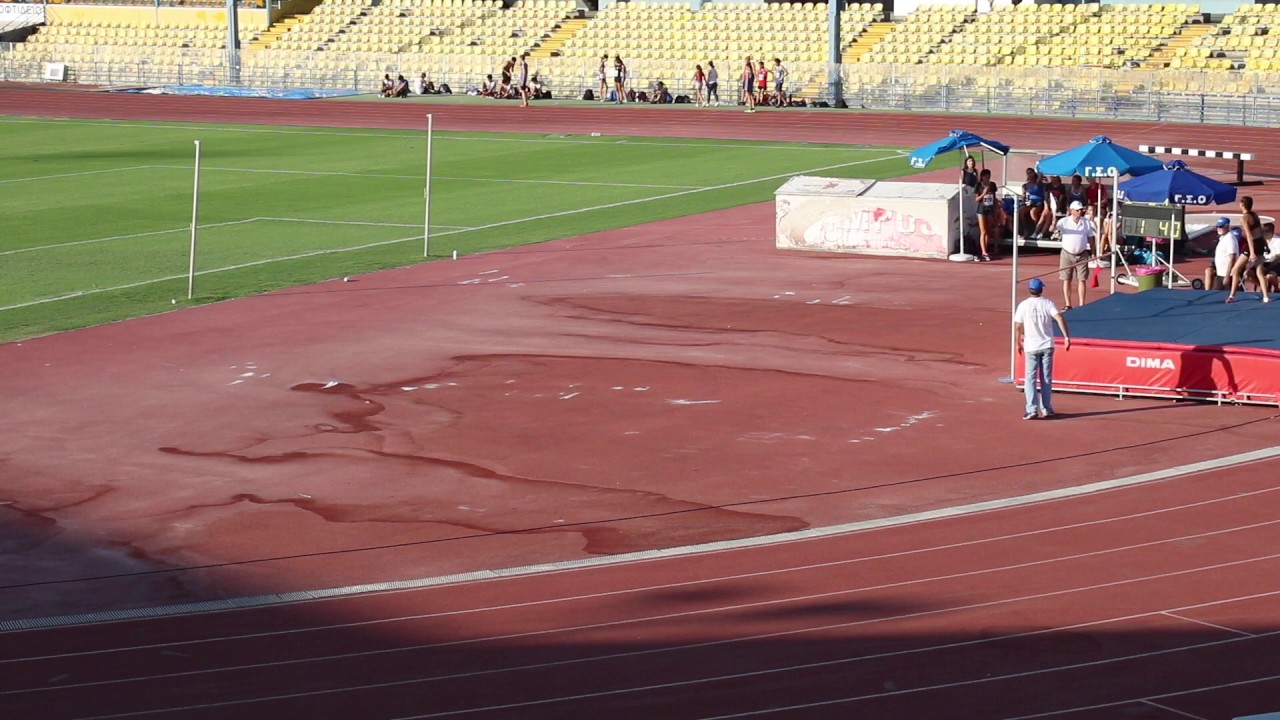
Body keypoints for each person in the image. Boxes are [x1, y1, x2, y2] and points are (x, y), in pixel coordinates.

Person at [1014, 277, 1071, 420]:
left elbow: (1018, 326)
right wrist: (1066, 337)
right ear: (1041, 290)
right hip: (1046, 345)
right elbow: (1059, 318)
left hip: (1031, 347)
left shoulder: (1023, 305)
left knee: (1030, 378)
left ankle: (1032, 409)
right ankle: (1046, 408)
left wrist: (1018, 343)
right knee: (1046, 378)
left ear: (1029, 290)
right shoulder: (1047, 303)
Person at [1226, 195, 1271, 304]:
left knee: (1235, 270)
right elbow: (1260, 232)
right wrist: (1266, 246)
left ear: (1242, 204)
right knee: (1259, 271)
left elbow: (1249, 236)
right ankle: (1266, 297)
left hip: (1253, 245)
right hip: (1259, 243)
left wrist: (1251, 253)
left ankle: (1232, 295)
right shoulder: (1255, 215)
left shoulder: (1245, 218)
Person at [1057, 200, 1093, 309]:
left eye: (1081, 210)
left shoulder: (1086, 222)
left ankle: (1082, 304)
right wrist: (1053, 225)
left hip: (1082, 254)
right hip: (1067, 254)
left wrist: (1093, 252)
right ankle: (1068, 304)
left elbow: (1091, 238)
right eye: (1077, 210)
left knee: (1082, 279)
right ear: (1071, 211)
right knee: (1066, 279)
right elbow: (1054, 229)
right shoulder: (1064, 222)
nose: (1079, 212)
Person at [1204, 218, 1236, 292]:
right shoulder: (1223, 238)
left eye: (1221, 227)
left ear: (1227, 226)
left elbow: (1232, 258)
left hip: (1226, 275)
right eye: (1217, 227)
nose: (1218, 228)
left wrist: (1227, 276)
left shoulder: (1230, 239)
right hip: (1220, 273)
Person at [975, 179, 999, 261]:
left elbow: (994, 198)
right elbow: (977, 199)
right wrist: (983, 193)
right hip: (981, 210)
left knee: (988, 231)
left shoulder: (992, 185)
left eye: (988, 176)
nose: (987, 178)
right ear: (982, 177)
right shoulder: (979, 185)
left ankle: (984, 251)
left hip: (990, 210)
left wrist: (996, 210)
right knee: (983, 231)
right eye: (985, 177)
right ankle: (983, 251)